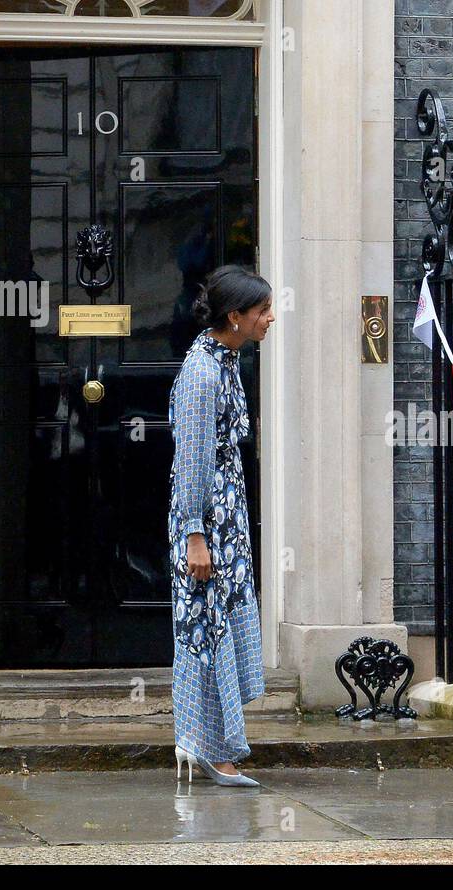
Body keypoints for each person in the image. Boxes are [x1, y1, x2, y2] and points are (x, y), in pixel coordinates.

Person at [168, 264, 274, 787]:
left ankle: (221, 745)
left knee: (220, 629)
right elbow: (191, 459)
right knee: (204, 631)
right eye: (261, 311)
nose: (269, 318)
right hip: (205, 525)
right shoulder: (202, 373)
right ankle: (206, 747)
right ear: (235, 316)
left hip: (225, 521)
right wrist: (194, 535)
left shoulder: (225, 361)